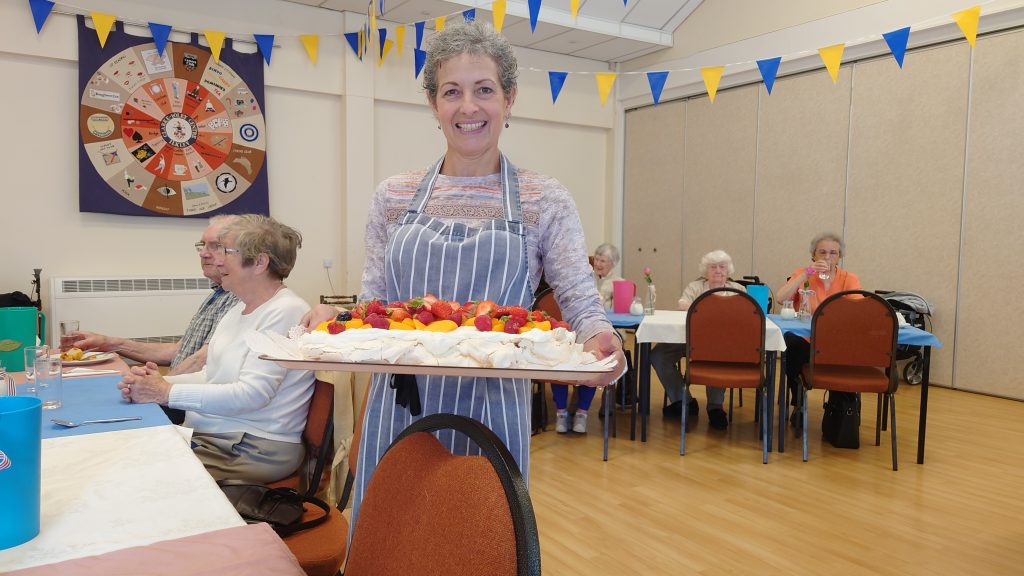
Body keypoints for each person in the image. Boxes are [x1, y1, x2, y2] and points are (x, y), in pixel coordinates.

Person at [303, 21, 625, 533]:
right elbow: (374, 306)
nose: (468, 107)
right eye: (452, 92)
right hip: (400, 404)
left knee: (479, 539)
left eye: (484, 90)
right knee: (394, 541)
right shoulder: (393, 196)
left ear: (509, 98)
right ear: (434, 103)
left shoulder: (545, 199)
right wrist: (332, 324)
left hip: (494, 406)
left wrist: (600, 341)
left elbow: (581, 302)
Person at [117, 215, 314, 483]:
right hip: (217, 438)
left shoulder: (287, 311)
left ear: (259, 262)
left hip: (253, 447)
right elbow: (211, 375)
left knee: (132, 473)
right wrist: (155, 383)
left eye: (226, 251)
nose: (217, 260)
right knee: (123, 453)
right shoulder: (237, 309)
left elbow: (252, 395)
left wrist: (166, 392)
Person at [63, 215, 241, 424]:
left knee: (91, 410)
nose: (203, 253)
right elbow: (178, 351)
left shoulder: (239, 296)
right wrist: (108, 343)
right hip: (176, 392)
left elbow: (202, 359)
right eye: (202, 245)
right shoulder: (218, 293)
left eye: (215, 246)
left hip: (189, 402)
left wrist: (157, 387)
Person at [776, 232, 861, 430]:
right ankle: (798, 403)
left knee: (849, 350)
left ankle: (837, 406)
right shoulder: (802, 273)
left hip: (835, 342)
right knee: (791, 343)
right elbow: (781, 298)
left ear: (839, 257)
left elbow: (857, 311)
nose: (827, 257)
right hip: (806, 341)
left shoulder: (849, 279)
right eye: (822, 252)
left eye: (833, 253)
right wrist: (806, 274)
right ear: (813, 255)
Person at [652, 250, 746, 430]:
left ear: (729, 271)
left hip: (723, 344)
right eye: (713, 267)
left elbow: (745, 314)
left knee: (719, 355)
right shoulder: (695, 287)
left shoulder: (739, 290)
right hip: (690, 339)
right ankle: (683, 400)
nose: (718, 270)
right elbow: (682, 304)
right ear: (705, 270)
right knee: (658, 355)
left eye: (722, 267)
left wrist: (702, 311)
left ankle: (715, 407)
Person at [592, 243, 622, 310]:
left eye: (602, 261)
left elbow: (618, 312)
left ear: (612, 264)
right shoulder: (587, 279)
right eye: (596, 259)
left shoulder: (618, 283)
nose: (597, 264)